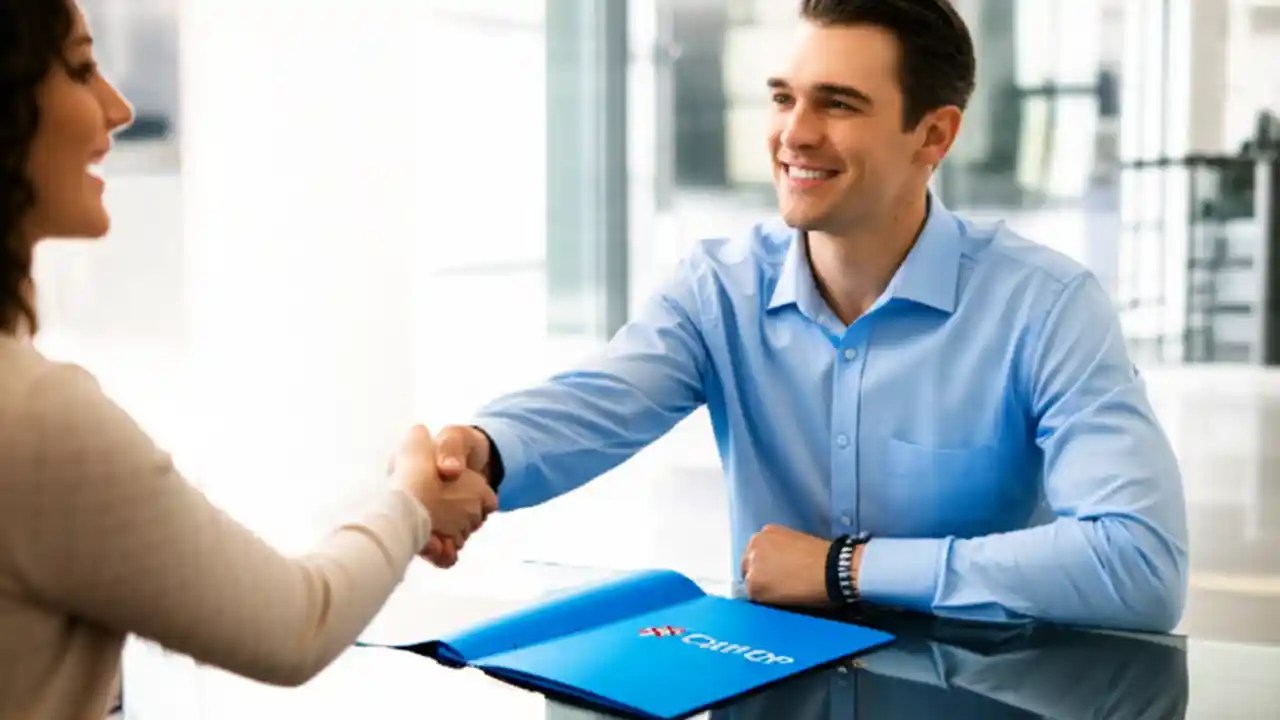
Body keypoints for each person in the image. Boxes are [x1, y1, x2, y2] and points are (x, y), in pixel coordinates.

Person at [425, 0, 1189, 633]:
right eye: (785, 96)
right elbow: (593, 405)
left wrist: (844, 568)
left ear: (934, 135)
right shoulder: (719, 289)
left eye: (839, 104)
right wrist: (475, 456)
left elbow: (1139, 563)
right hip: (772, 687)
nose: (794, 132)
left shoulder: (1045, 306)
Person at [0, 2, 498, 718]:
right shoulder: (36, 422)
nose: (117, 107)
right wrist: (413, 500)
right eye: (81, 71)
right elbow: (297, 623)